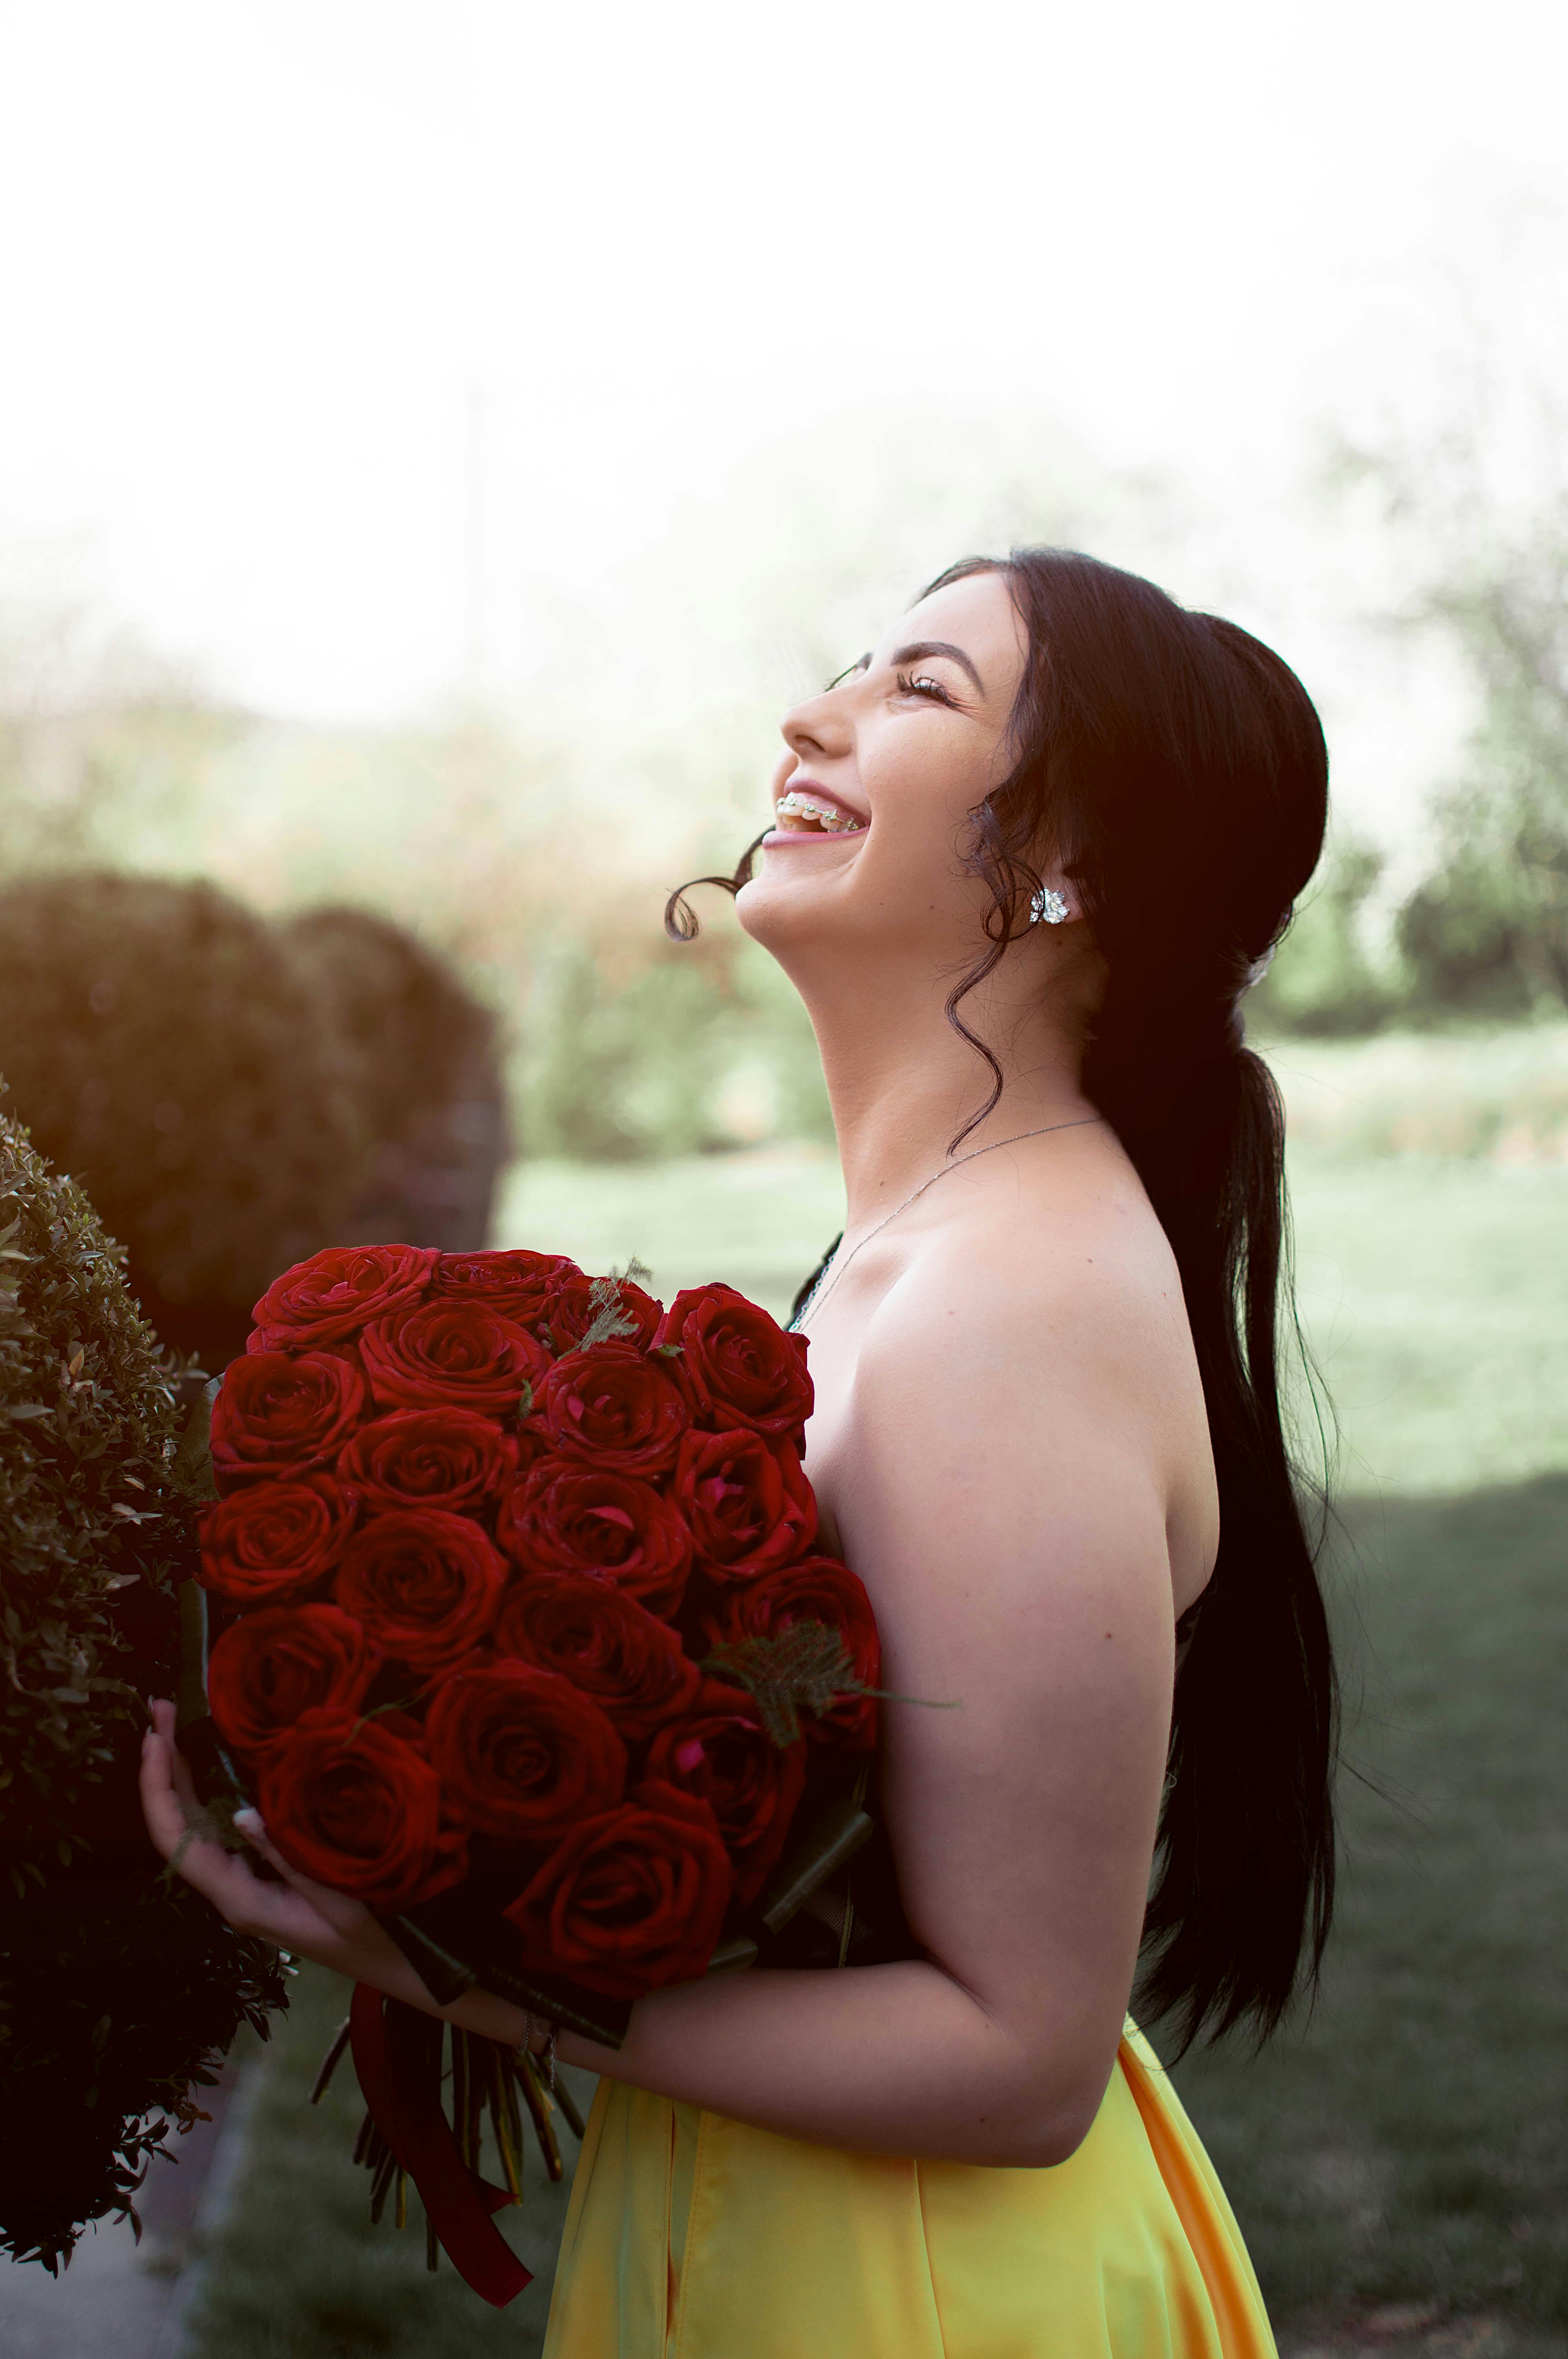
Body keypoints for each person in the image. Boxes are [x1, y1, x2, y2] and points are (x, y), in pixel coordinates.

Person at [142, 546, 1338, 2356]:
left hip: (914, 2288)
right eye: (853, 664)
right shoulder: (933, 1244)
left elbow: (1022, 2060)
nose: (812, 711)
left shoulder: (1008, 1306)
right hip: (778, 2211)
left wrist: (459, 1980)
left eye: (921, 688)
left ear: (1069, 860)